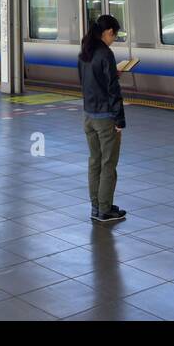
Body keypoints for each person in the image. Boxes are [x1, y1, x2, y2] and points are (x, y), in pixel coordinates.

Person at [78, 14, 127, 224]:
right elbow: (112, 90)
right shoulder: (105, 54)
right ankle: (105, 210)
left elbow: (87, 81)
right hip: (106, 117)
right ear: (108, 33)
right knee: (108, 164)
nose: (112, 40)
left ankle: (96, 206)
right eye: (113, 36)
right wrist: (119, 120)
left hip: (88, 115)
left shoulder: (85, 52)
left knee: (94, 162)